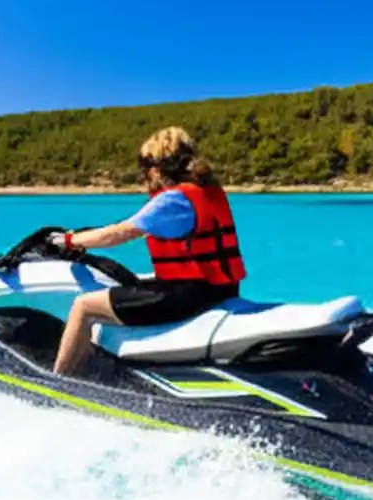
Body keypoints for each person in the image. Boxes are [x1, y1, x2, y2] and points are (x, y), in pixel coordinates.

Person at [49, 126, 246, 376]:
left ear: (157, 168)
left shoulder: (172, 200)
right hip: (221, 289)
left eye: (145, 168)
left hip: (187, 296)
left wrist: (70, 240)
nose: (144, 176)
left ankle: (60, 380)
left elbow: (118, 233)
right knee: (134, 280)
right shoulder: (208, 192)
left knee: (83, 307)